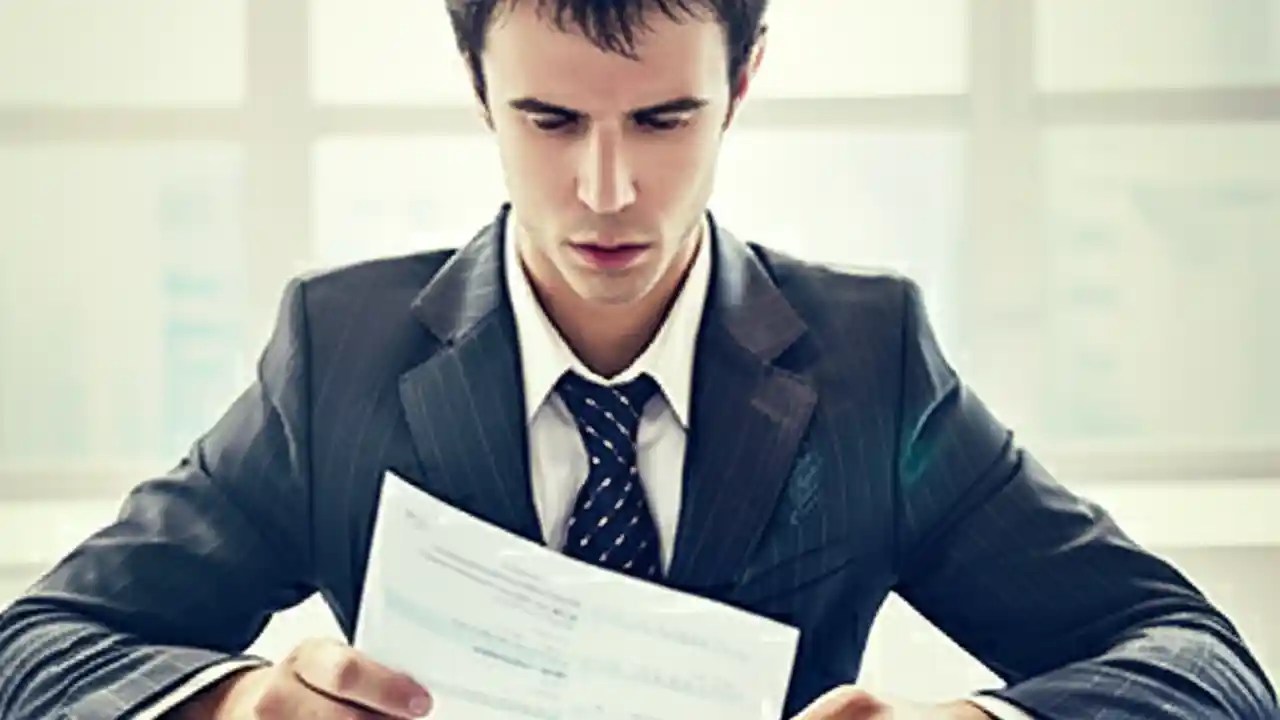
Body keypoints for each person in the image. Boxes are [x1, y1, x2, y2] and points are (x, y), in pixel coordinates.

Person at [0, 1, 1275, 718]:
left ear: (746, 77)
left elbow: (1202, 663)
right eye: (547, 119)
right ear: (473, 84)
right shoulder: (337, 352)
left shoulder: (867, 359)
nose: (606, 191)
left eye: (664, 118)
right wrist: (232, 710)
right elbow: (39, 649)